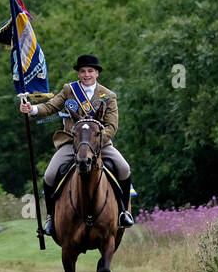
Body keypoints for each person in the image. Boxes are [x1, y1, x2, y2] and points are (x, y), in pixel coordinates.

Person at [19, 54, 135, 238]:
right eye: (83, 71)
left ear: (97, 73)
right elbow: (50, 107)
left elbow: (112, 126)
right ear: (78, 73)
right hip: (71, 143)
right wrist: (32, 109)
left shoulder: (108, 96)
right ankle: (51, 217)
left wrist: (95, 143)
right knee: (49, 175)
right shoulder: (69, 90)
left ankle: (123, 212)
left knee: (124, 168)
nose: (86, 74)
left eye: (90, 71)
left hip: (100, 144)